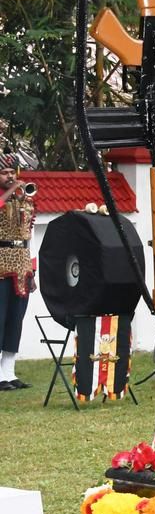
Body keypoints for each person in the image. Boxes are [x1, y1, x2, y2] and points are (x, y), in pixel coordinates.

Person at [0, 149, 35, 391]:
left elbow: (28, 236)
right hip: (1, 263)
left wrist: (31, 270)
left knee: (15, 320)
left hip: (21, 265)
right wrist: (13, 189)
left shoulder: (23, 200)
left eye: (13, 172)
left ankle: (9, 373)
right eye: (4, 173)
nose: (10, 176)